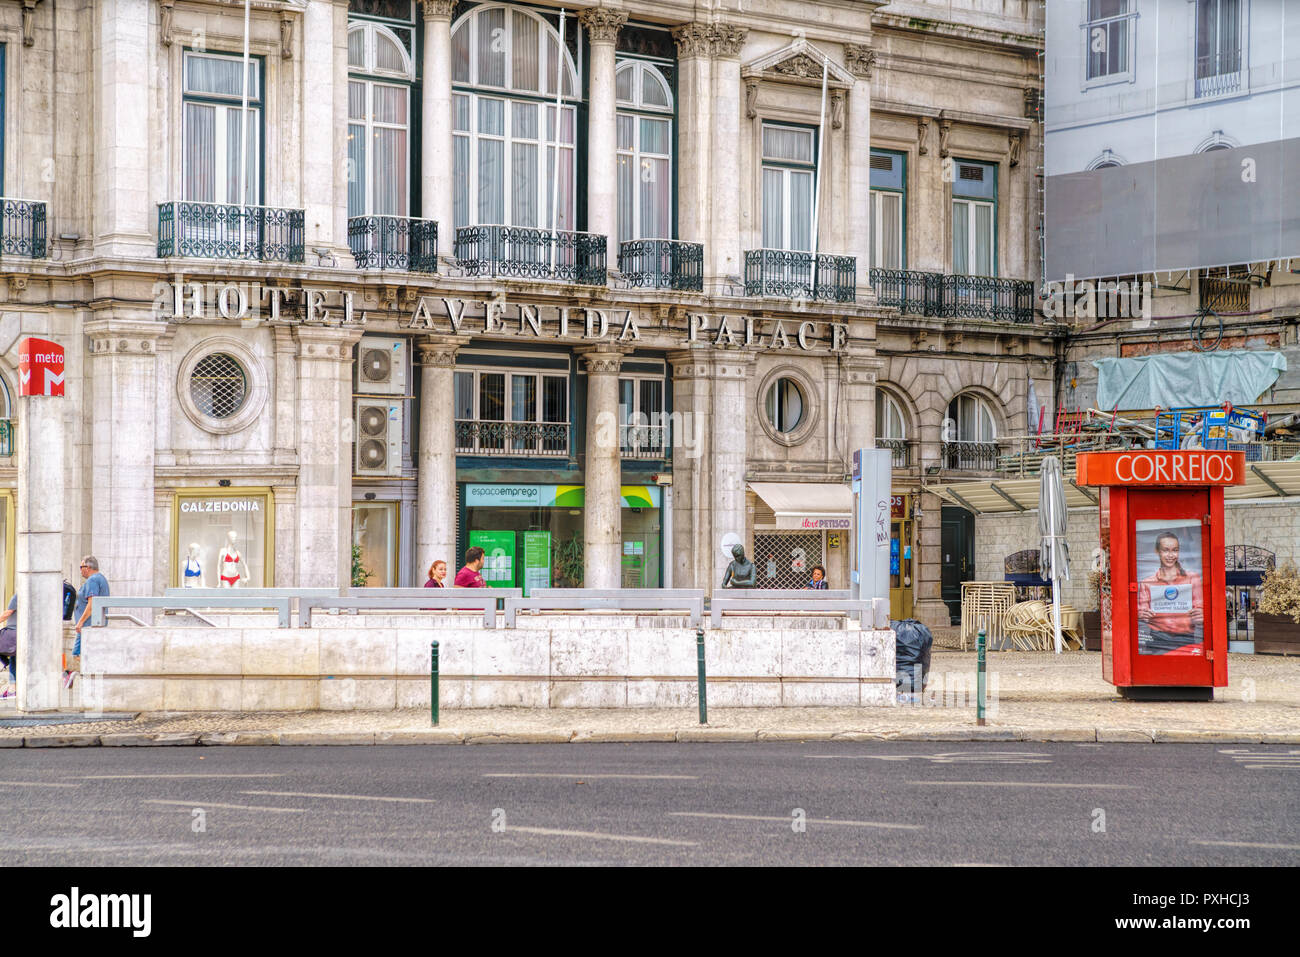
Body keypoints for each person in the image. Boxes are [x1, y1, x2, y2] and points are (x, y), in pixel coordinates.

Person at [1136, 531, 1204, 655]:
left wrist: (1201, 614)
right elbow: (1141, 612)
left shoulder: (1192, 578)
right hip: (1157, 639)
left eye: (1175, 550)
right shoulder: (1147, 582)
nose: (1171, 555)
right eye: (1165, 550)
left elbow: (1201, 609)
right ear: (1158, 551)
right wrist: (1142, 614)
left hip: (1186, 638)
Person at [69, 555, 110, 688]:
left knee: (78, 653)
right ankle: (90, 676)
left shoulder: (93, 580)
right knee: (85, 652)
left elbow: (92, 604)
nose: (80, 570)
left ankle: (91, 677)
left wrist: (80, 622)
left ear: (88, 567)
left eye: (81, 567)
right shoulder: (100, 579)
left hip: (88, 625)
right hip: (92, 624)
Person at [0, 594, 15, 698]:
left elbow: (8, 613)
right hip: (18, 632)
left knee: (14, 659)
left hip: (13, 632)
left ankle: (12, 688)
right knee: (14, 659)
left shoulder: (20, 594)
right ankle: (12, 687)